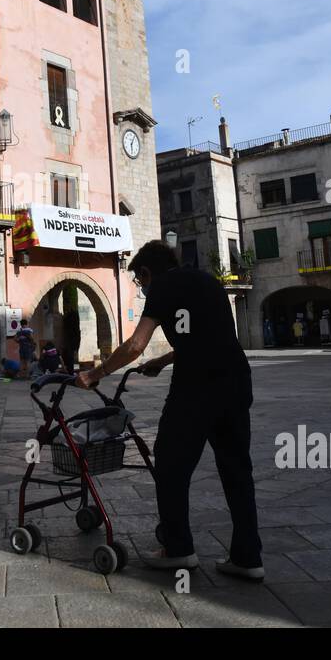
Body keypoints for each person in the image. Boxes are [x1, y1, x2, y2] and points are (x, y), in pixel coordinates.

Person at [73, 239, 263, 580]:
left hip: (195, 388)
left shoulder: (161, 286)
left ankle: (178, 549)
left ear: (146, 272)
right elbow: (209, 338)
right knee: (237, 470)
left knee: (172, 464)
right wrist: (163, 360)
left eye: (139, 281)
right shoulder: (209, 282)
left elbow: (134, 344)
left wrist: (95, 373)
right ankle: (248, 558)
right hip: (235, 382)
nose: (142, 288)